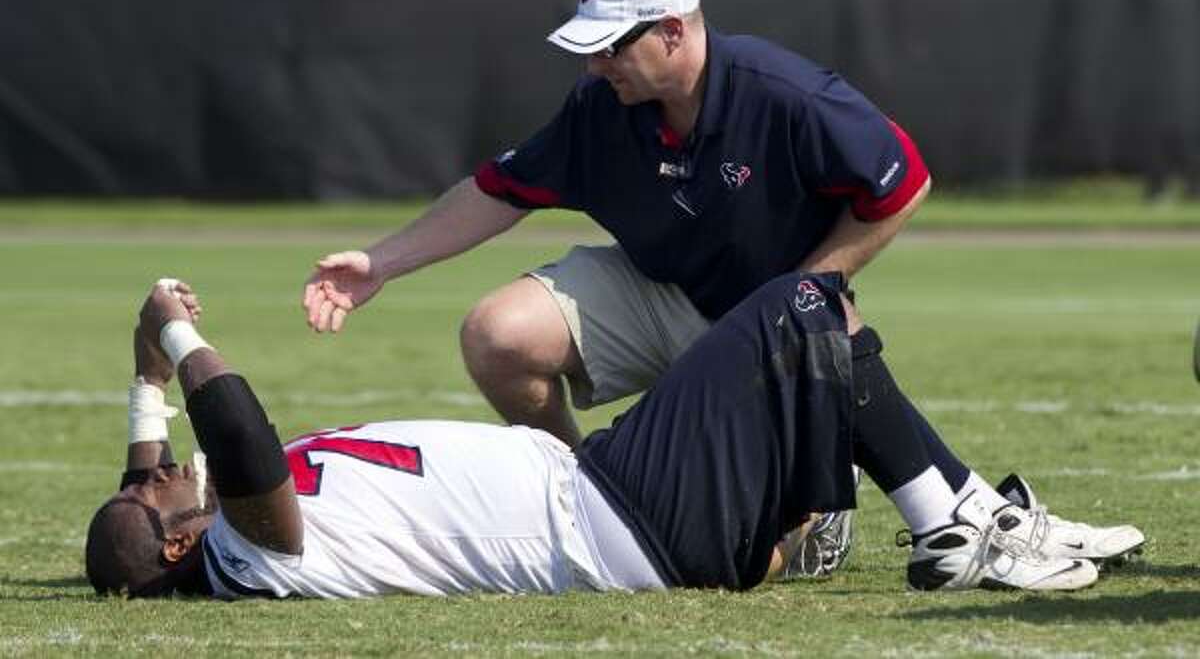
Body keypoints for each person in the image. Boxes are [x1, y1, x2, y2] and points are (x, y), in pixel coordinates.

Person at [300, 0, 1142, 579]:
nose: (595, 64)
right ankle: (586, 497)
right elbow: (499, 189)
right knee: (496, 334)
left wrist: (814, 284)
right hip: (656, 291)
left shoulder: (786, 93)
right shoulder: (604, 105)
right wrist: (381, 262)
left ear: (673, 32)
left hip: (767, 326)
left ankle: (934, 520)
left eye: (613, 45)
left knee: (822, 326)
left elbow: (904, 179)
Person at [87, 277, 1108, 598]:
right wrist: (179, 337)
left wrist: (142, 377)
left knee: (834, 342)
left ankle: (833, 525)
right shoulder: (244, 546)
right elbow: (242, 434)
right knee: (803, 301)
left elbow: (149, 496)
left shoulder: (193, 527)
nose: (171, 466)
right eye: (159, 487)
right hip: (610, 516)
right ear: (180, 541)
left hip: (604, 490)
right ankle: (951, 531)